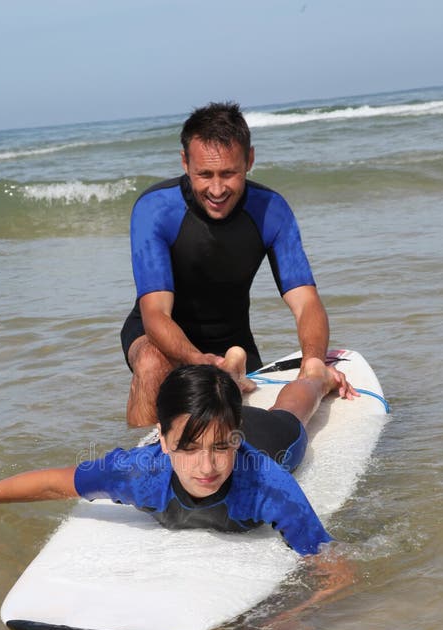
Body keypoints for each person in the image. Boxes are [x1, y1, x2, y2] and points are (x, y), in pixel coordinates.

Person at [0, 357, 340, 556]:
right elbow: (53, 483)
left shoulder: (266, 483)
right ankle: (227, 373)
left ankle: (315, 376)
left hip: (267, 437)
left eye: (220, 448)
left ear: (235, 438)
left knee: (291, 415)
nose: (207, 466)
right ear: (162, 439)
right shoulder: (139, 473)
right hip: (213, 417)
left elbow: (330, 564)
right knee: (212, 408)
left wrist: (288, 623)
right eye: (188, 448)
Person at [121, 100, 356, 426]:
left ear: (249, 160)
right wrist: (199, 361)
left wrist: (313, 362)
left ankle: (233, 373)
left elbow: (306, 302)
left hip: (234, 344)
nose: (217, 189)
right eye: (204, 174)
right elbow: (155, 314)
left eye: (229, 173)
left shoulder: (271, 210)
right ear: (185, 162)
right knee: (150, 362)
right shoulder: (156, 209)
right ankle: (141, 453)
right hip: (157, 337)